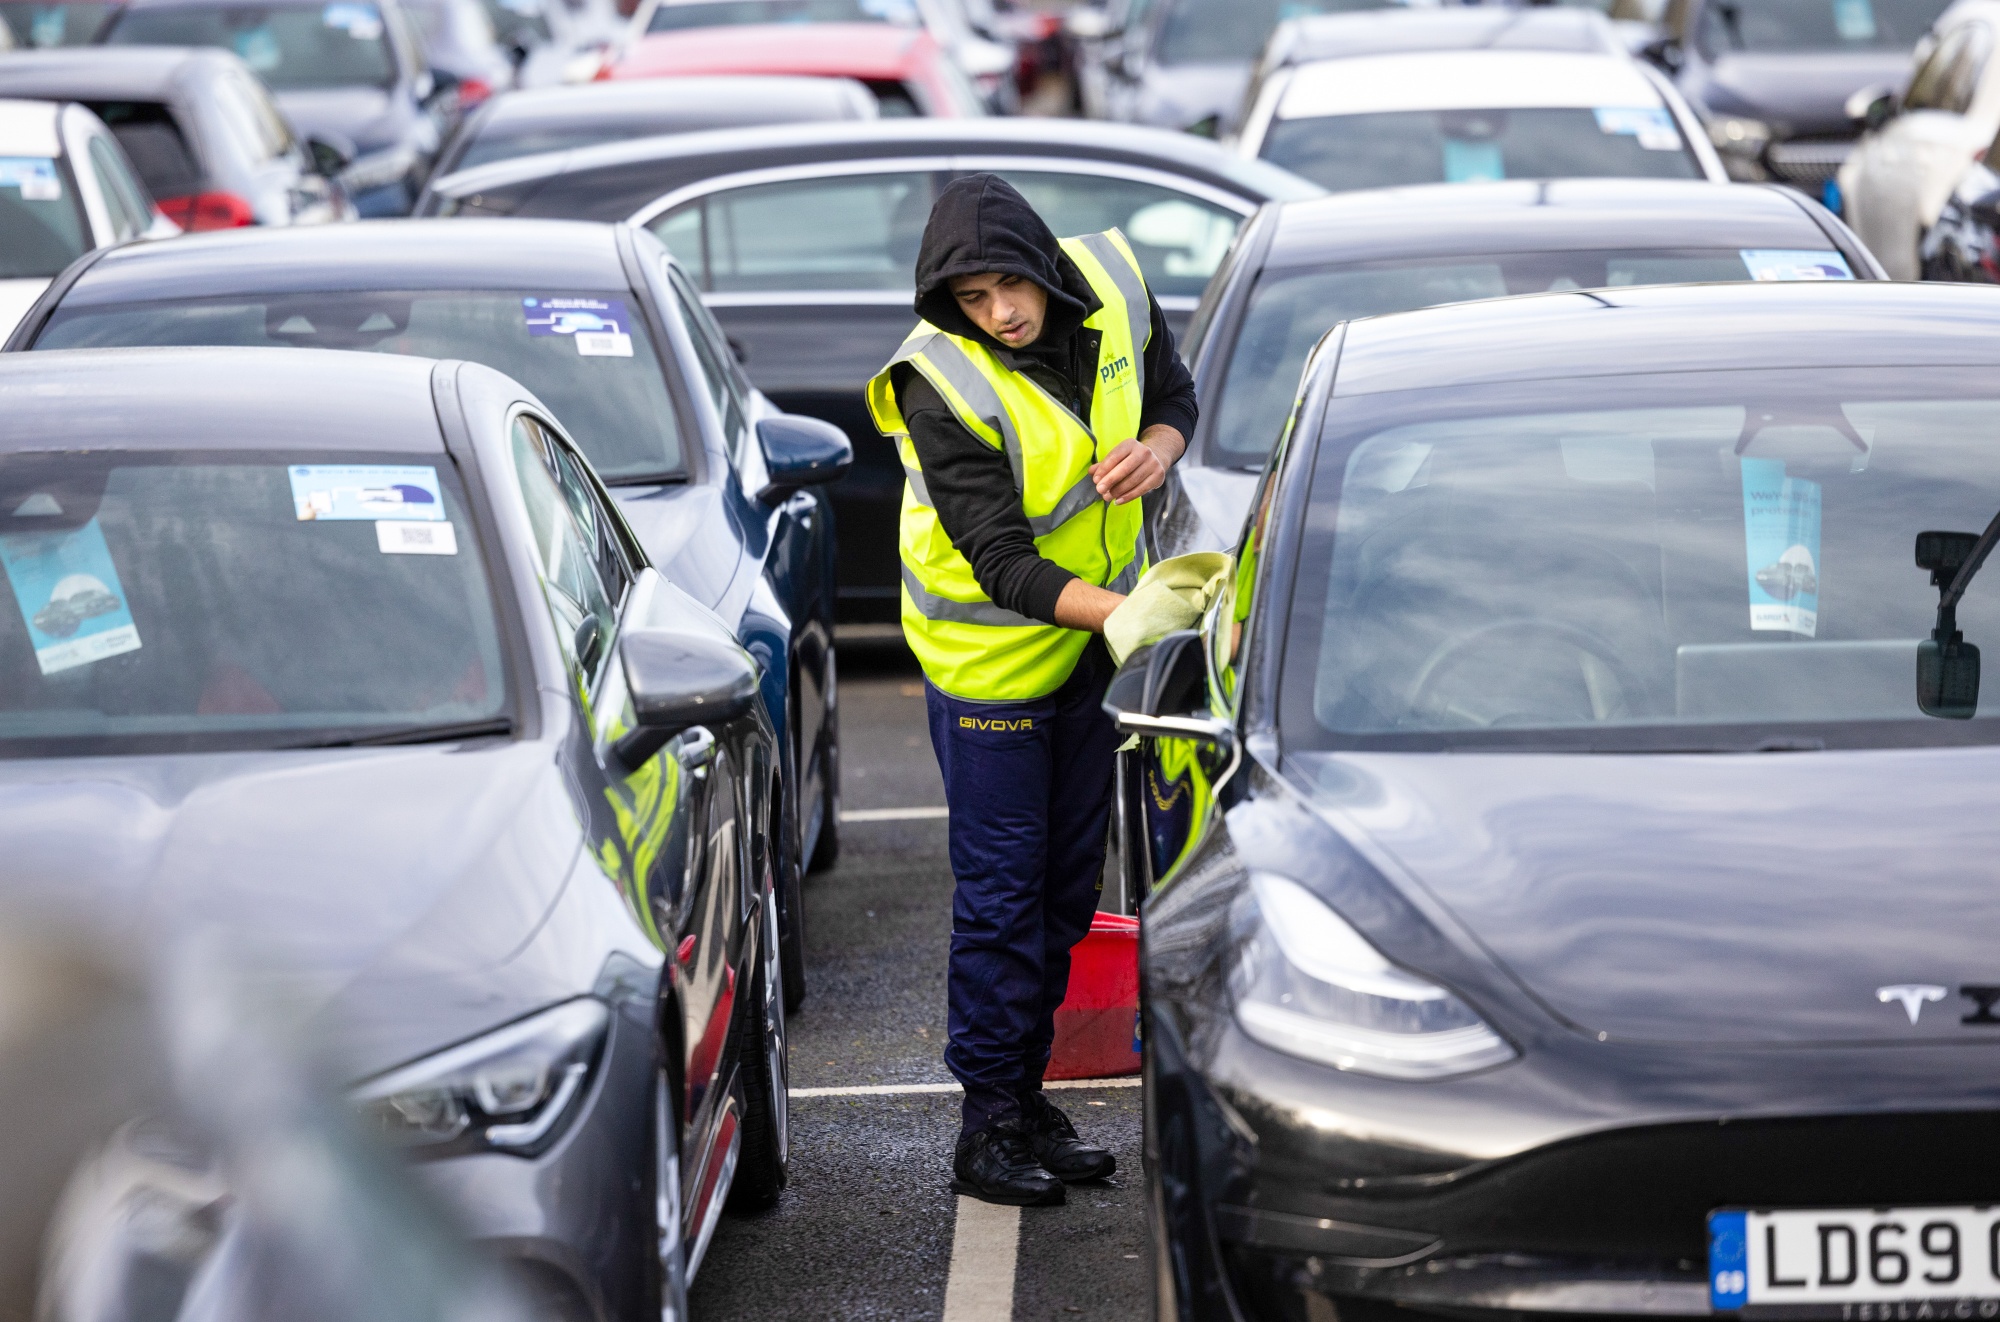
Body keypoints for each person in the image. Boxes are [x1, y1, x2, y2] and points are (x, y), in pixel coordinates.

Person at [865, 174, 1197, 1206]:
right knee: (1003, 898)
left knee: (1063, 890)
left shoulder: (1113, 280)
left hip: (1084, 653)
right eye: (971, 299)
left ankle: (1023, 1093)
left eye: (1010, 285)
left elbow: (1172, 395)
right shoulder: (938, 381)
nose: (1000, 313)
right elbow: (1000, 557)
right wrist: (1126, 613)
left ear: (1044, 265)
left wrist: (1157, 450)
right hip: (990, 667)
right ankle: (987, 1120)